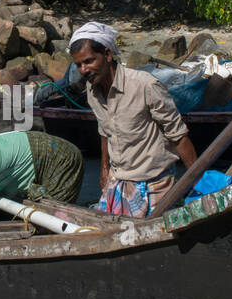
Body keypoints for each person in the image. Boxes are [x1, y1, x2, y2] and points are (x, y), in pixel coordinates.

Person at [69, 21, 198, 216]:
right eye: (79, 65)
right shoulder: (92, 90)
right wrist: (104, 169)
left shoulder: (144, 85)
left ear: (107, 54)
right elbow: (105, 130)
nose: (84, 70)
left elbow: (178, 135)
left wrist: (198, 184)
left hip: (153, 183)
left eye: (89, 61)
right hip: (118, 180)